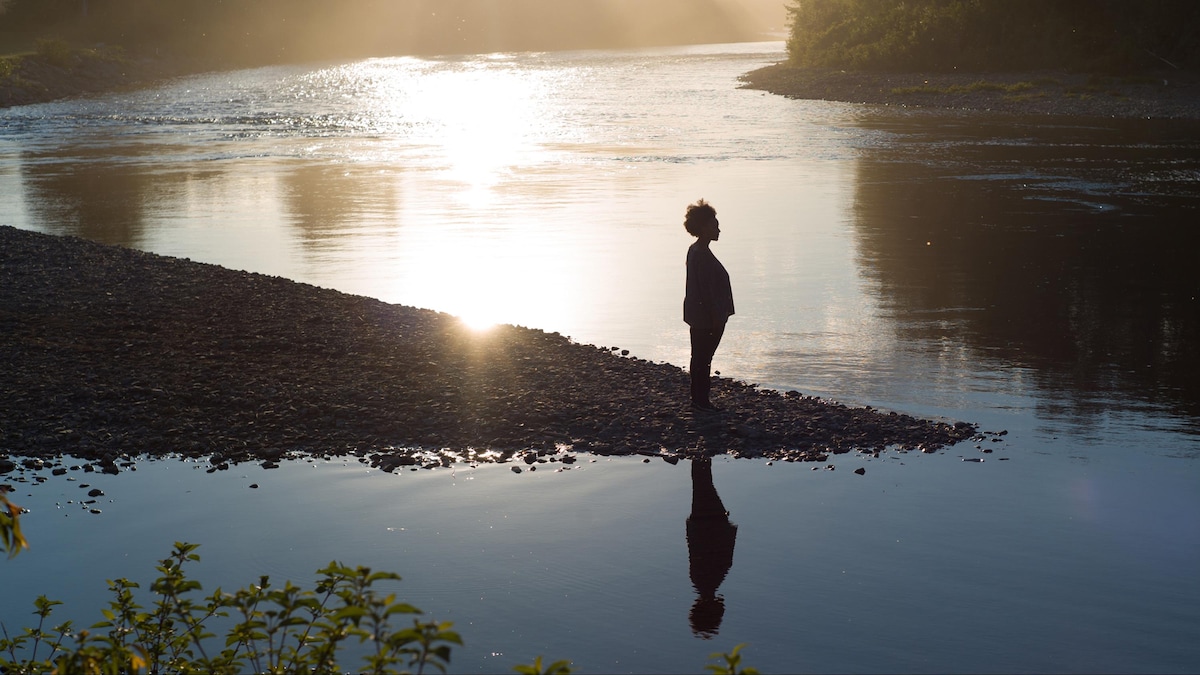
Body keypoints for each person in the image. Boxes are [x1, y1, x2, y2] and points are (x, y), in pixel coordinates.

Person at [683, 199, 734, 413]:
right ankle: (701, 401)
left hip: (701, 315)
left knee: (700, 358)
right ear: (703, 228)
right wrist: (716, 318)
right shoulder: (701, 254)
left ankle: (699, 399)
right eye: (714, 226)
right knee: (703, 359)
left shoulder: (696, 250)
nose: (718, 230)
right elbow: (706, 291)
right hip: (707, 318)